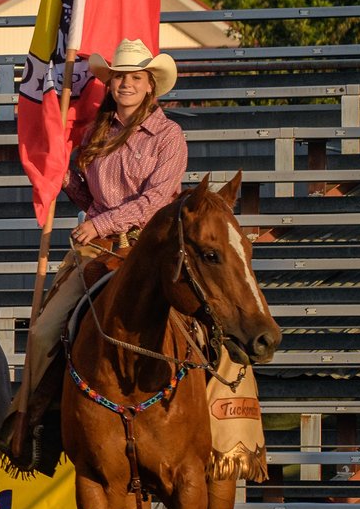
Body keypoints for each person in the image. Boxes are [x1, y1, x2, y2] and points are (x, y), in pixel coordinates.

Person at [13, 41, 263, 479]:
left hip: (152, 248)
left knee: (213, 329)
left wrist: (101, 221)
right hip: (99, 250)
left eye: (135, 77)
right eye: (118, 77)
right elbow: (86, 195)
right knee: (44, 332)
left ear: (151, 85)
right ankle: (38, 425)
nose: (125, 84)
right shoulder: (95, 132)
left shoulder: (169, 137)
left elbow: (153, 201)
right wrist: (58, 170)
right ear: (109, 84)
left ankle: (227, 431)